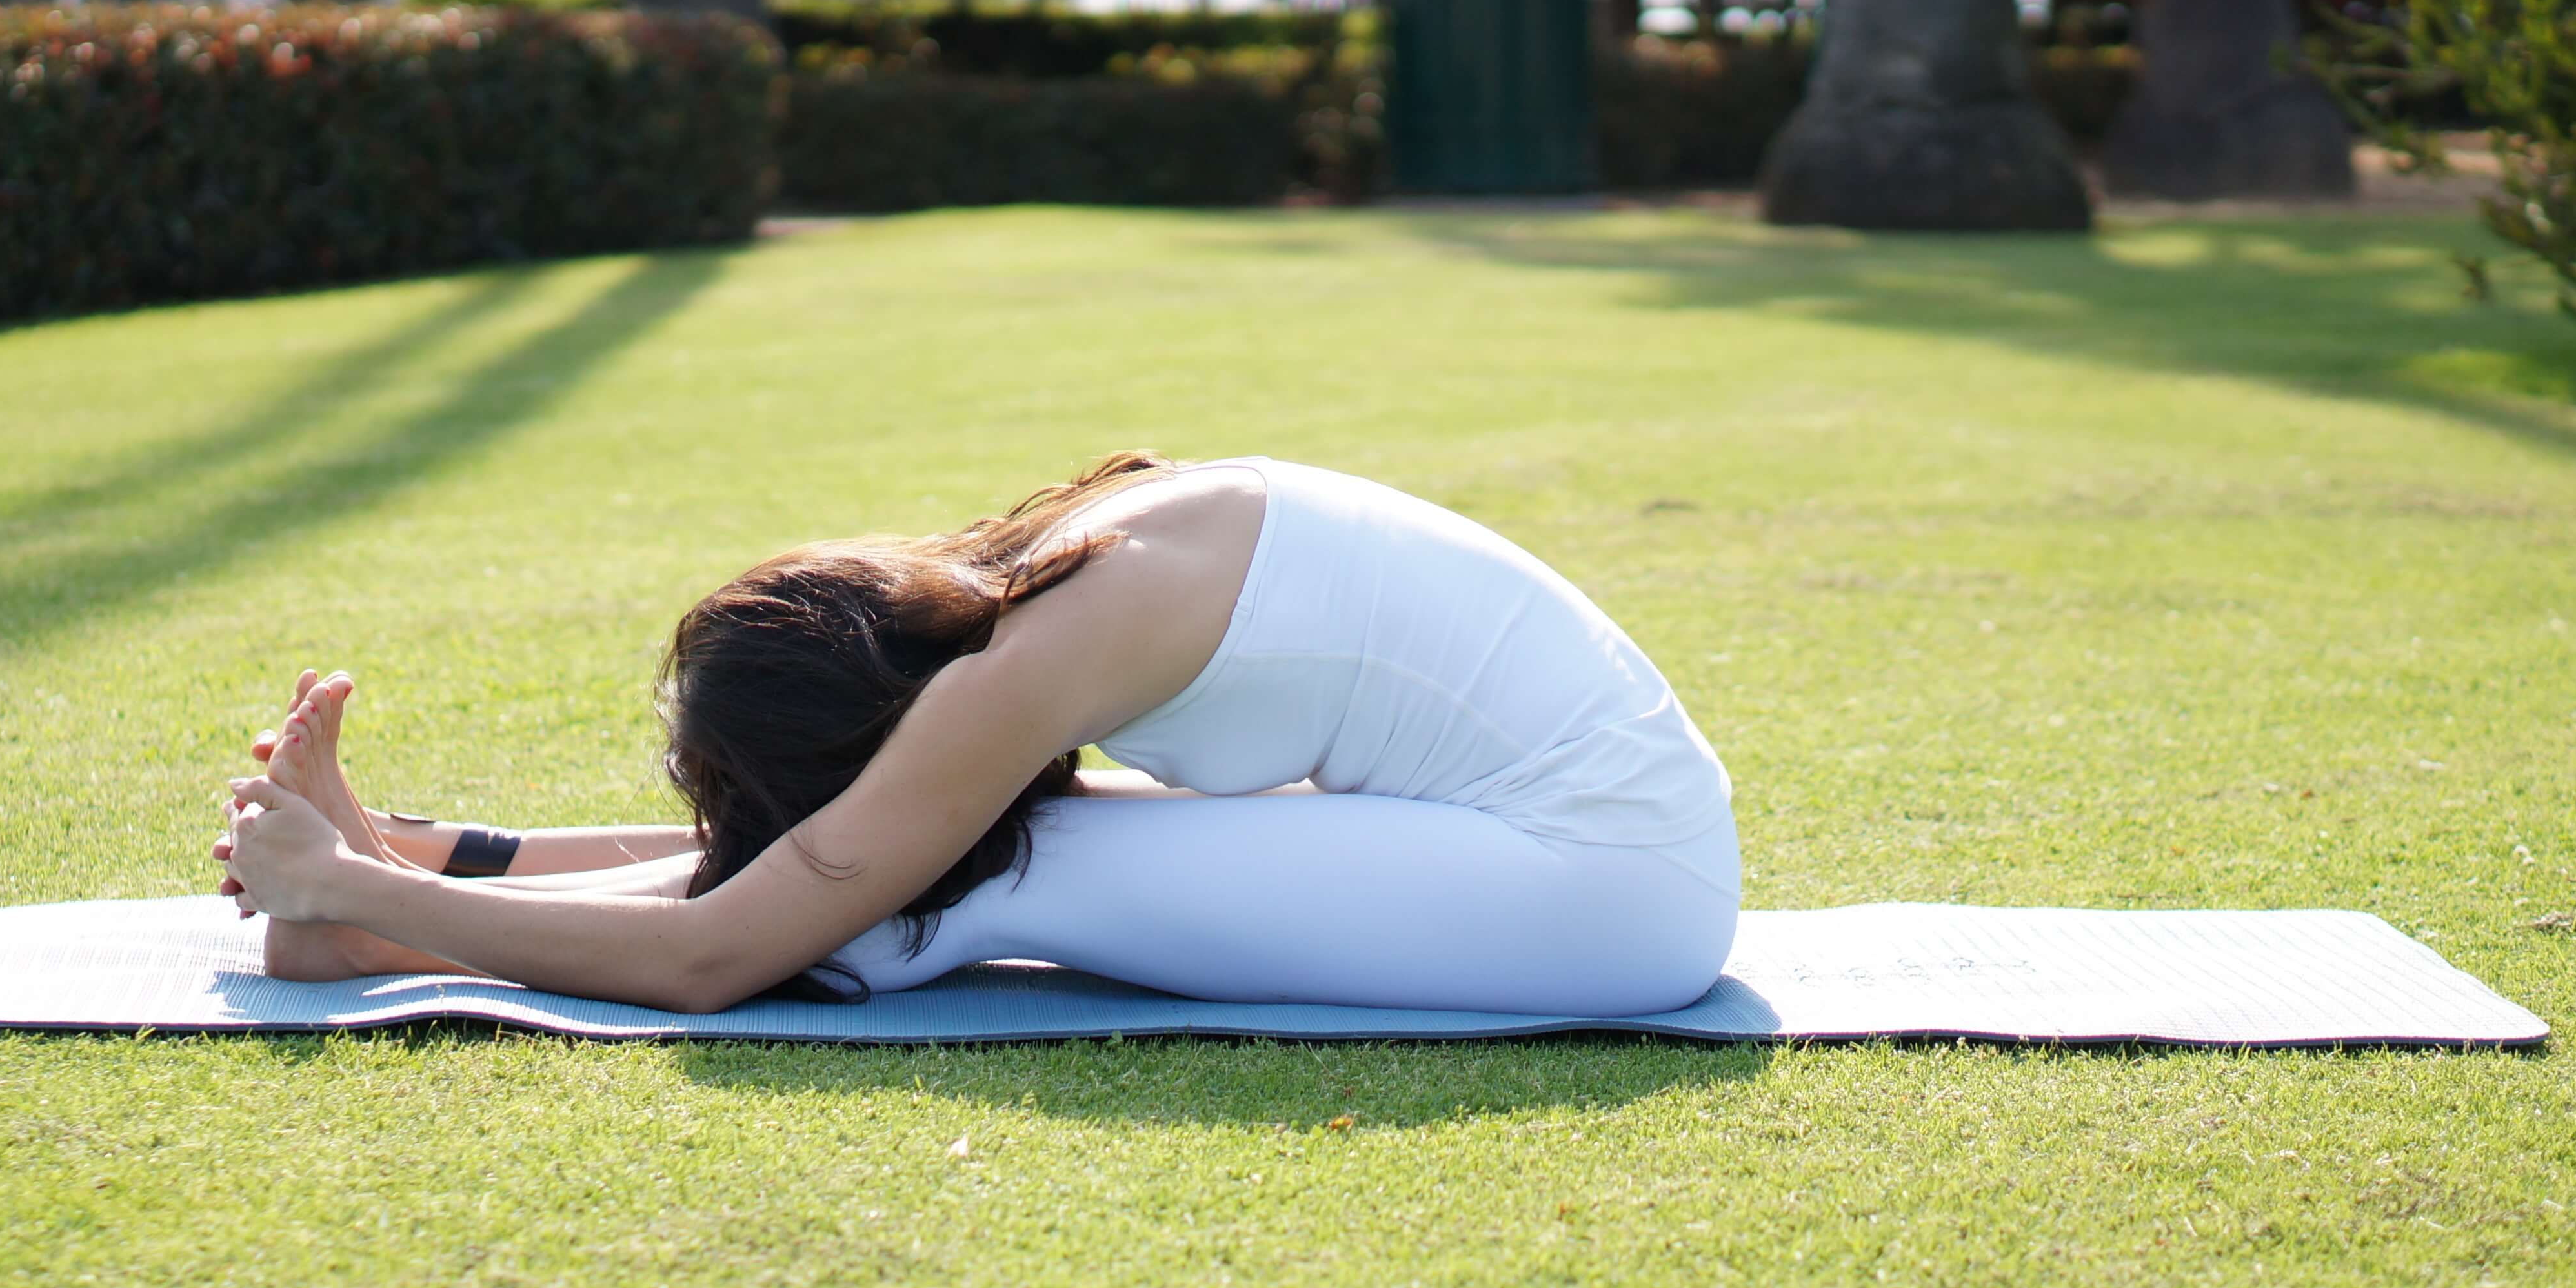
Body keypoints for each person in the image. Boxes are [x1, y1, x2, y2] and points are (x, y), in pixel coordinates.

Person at [217, 454, 1740, 1017]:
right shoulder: (1036, 576)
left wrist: (373, 905)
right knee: (944, 858)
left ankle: (365, 935)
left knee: (954, 885)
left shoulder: (1005, 685)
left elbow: (724, 949)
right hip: (1595, 850)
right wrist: (434, 848)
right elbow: (832, 842)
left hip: (1602, 887)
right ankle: (403, 888)